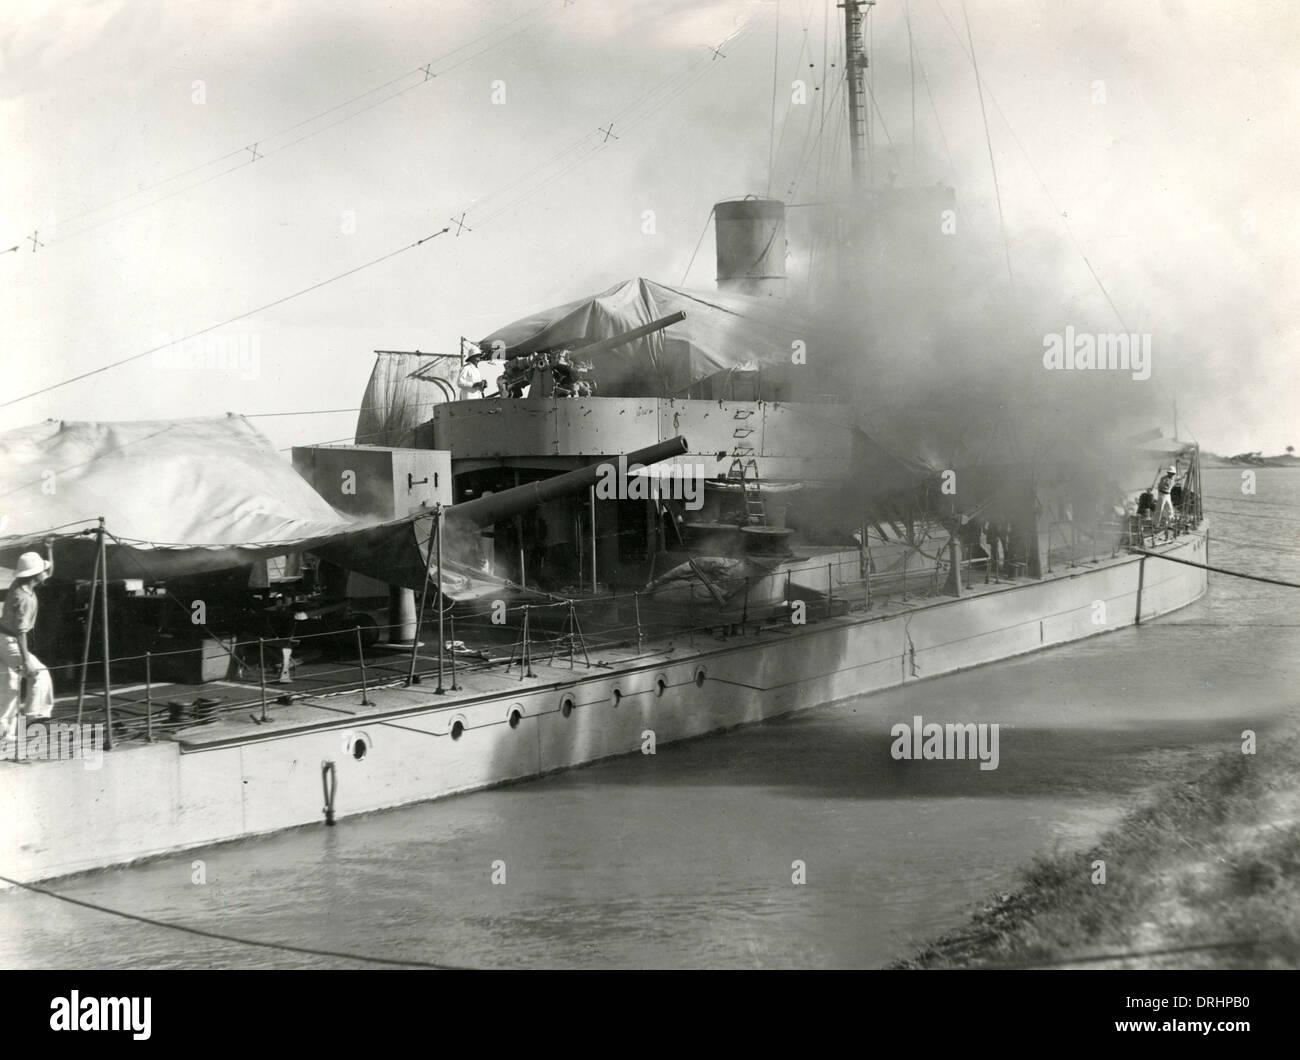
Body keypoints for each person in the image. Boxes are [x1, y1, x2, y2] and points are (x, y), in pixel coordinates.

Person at [1, 551, 55, 746]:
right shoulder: (23, 598)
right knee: (38, 673)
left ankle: (4, 734)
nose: (46, 572)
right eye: (42, 570)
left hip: (3, 637)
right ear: (35, 575)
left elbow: (50, 570)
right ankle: (34, 716)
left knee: (9, 686)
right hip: (10, 641)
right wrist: (25, 662)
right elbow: (21, 633)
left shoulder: (21, 584)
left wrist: (49, 549)